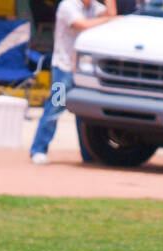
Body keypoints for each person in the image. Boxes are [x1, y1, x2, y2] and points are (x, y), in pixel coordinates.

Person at [30, 0, 120, 165]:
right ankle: (38, 150)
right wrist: (109, 20)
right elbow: (83, 25)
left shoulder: (94, 6)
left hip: (84, 72)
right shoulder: (68, 5)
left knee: (85, 114)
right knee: (54, 109)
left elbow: (112, 15)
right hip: (62, 69)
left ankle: (88, 155)